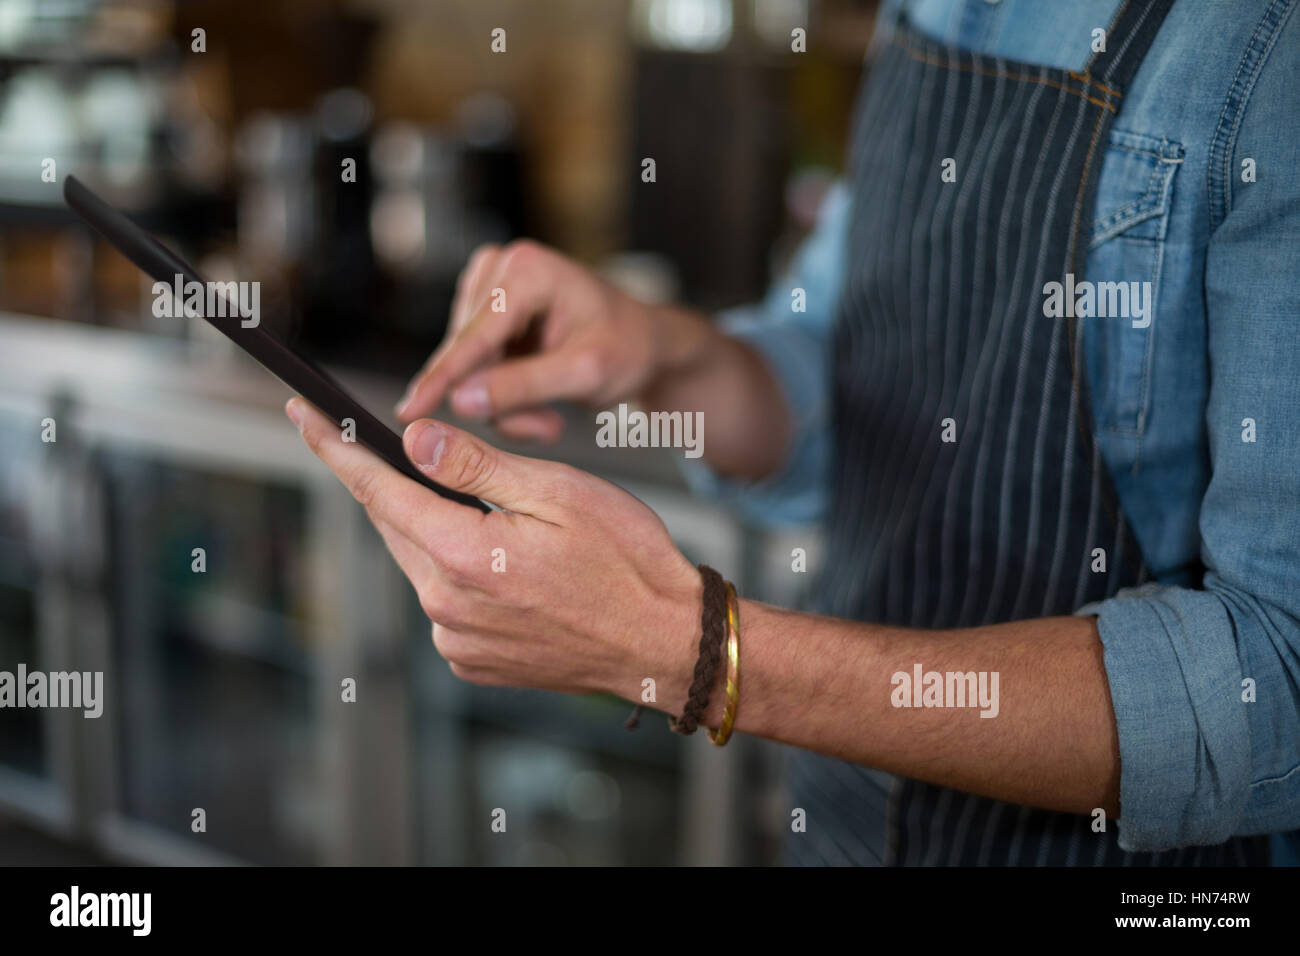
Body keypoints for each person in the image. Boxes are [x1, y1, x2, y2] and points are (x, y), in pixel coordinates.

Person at [284, 0, 1300, 865]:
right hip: (846, 825)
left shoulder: (1265, 47)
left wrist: (695, 651)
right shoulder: (927, 11)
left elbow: (1278, 682)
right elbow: (837, 372)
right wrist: (657, 352)